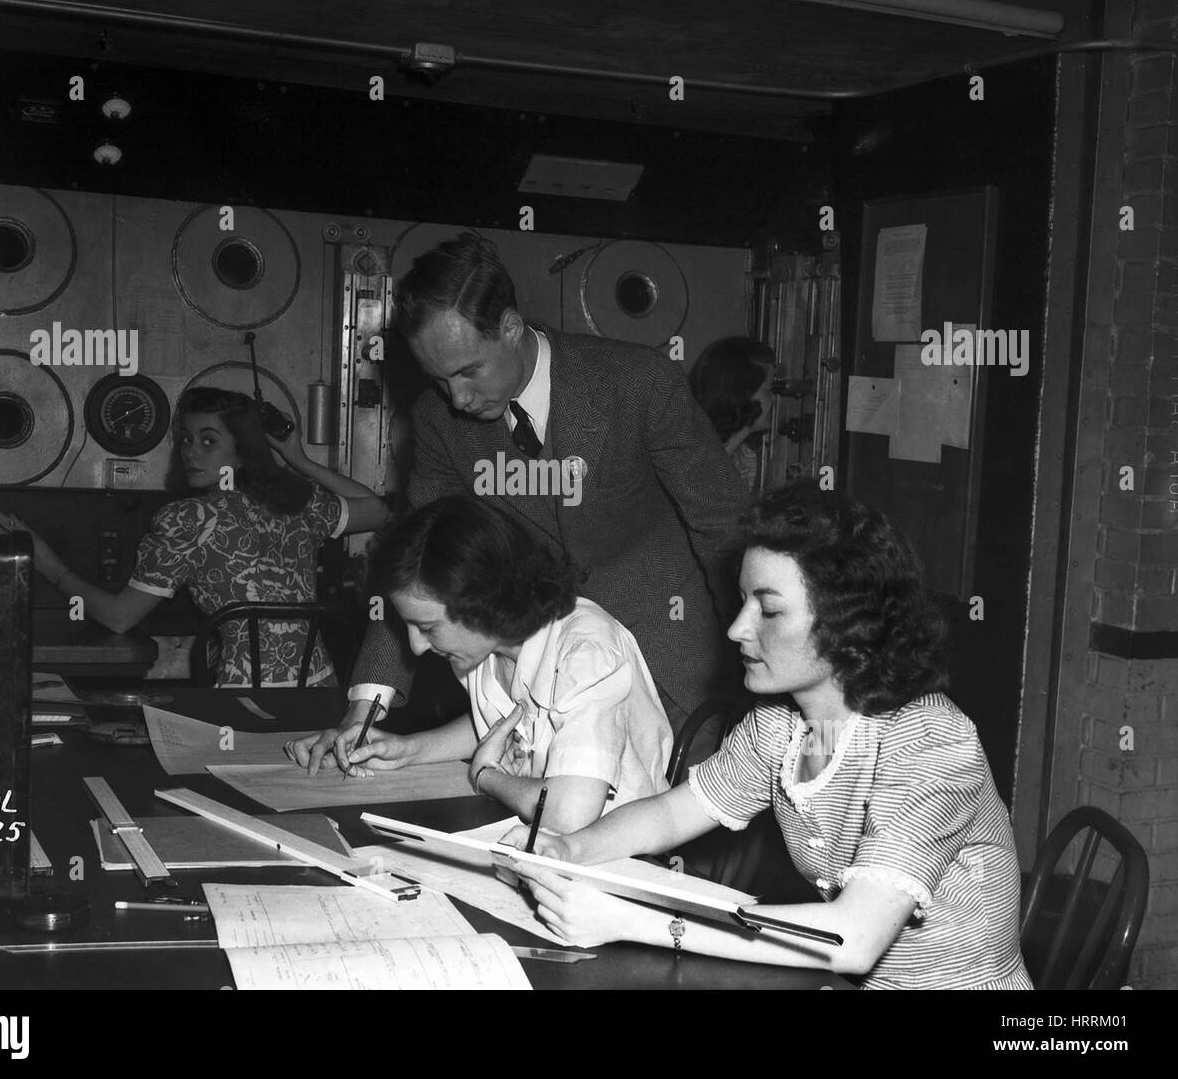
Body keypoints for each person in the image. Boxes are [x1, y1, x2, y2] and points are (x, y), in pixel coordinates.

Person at [502, 481, 1033, 990]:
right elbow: (672, 813)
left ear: (850, 622)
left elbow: (852, 937)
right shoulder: (781, 722)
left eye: (770, 609)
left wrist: (630, 921)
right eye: (743, 602)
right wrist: (568, 849)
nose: (737, 628)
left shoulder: (933, 744)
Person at [305, 233, 746, 770]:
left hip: (673, 665)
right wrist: (364, 710)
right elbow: (417, 561)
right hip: (534, 688)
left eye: (469, 371)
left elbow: (723, 527)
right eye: (440, 381)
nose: (459, 400)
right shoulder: (438, 420)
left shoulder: (637, 382)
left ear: (511, 328)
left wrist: (754, 661)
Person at [293, 495, 672, 832]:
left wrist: (486, 776)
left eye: (426, 627)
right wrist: (408, 750)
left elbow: (568, 811)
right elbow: (505, 727)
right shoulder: (485, 649)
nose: (416, 646)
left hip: (619, 854)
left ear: (484, 603)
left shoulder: (588, 653)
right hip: (544, 836)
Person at [3, 387, 388, 687]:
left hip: (244, 698)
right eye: (186, 439)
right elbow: (376, 508)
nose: (191, 452)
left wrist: (46, 562)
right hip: (319, 689)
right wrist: (298, 460)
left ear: (241, 450)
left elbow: (121, 618)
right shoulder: (299, 505)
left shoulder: (190, 519)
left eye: (208, 441)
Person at [688, 336, 775, 496]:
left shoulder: (745, 456)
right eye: (767, 390)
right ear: (740, 393)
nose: (773, 399)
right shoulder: (695, 460)